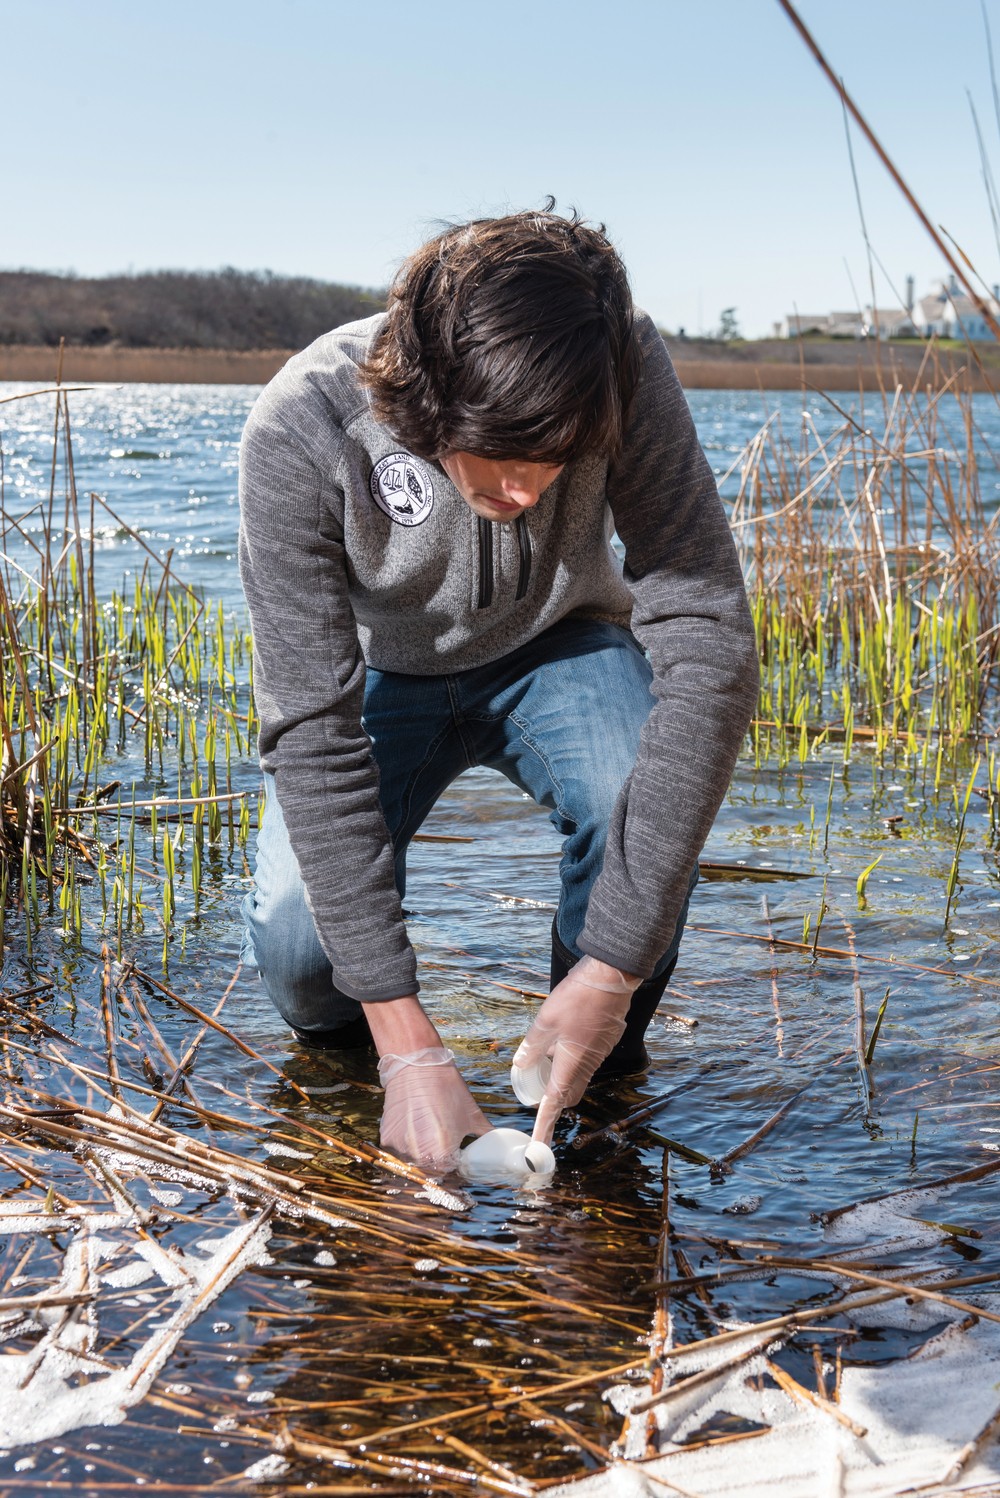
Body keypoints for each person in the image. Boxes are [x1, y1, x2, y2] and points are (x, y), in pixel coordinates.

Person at [238, 207, 759, 1168]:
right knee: (304, 958)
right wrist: (407, 1048)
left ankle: (590, 1060)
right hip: (383, 672)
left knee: (629, 810)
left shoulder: (620, 363)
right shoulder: (302, 423)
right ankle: (386, 1084)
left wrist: (612, 968)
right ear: (426, 395)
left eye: (553, 458)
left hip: (560, 647)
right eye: (501, 456)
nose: (526, 493)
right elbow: (311, 726)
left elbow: (710, 637)